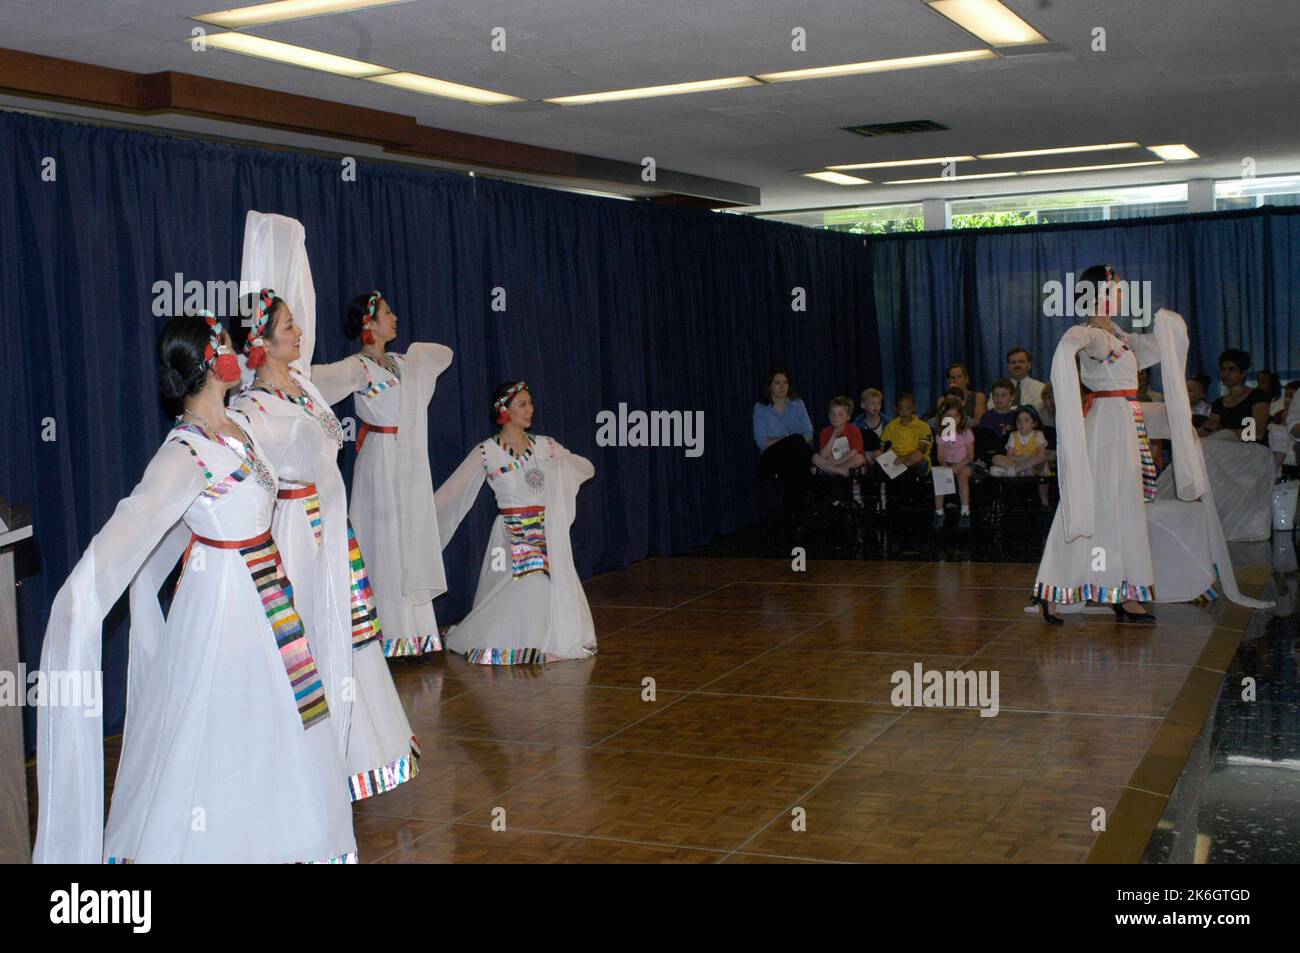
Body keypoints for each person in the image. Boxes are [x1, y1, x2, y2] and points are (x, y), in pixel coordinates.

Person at [34, 312, 356, 863]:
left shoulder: (241, 428)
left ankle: (284, 839)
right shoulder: (182, 454)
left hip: (271, 598)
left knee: (288, 719)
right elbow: (134, 526)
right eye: (230, 343)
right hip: (225, 607)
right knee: (226, 726)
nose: (239, 351)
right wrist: (78, 601)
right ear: (213, 360)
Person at [232, 290, 419, 801]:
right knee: (310, 637)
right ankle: (306, 764)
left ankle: (358, 750)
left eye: (295, 323)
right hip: (293, 529)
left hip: (331, 524)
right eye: (289, 326)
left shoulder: (305, 389)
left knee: (348, 632)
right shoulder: (250, 408)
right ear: (262, 343)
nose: (298, 333)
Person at [311, 291, 454, 658]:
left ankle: (414, 632)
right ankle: (380, 633)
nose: (395, 318)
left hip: (406, 457)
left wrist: (417, 352)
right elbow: (319, 379)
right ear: (368, 324)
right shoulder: (360, 367)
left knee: (407, 537)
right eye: (387, 313)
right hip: (380, 457)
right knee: (383, 538)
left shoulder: (402, 362)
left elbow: (442, 355)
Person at [1033, 265, 1166, 625]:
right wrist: (1075, 340)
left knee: (1122, 507)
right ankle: (1053, 587)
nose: (1121, 292)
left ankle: (1121, 590)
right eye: (1117, 287)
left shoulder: (1117, 333)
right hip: (1107, 426)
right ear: (1100, 293)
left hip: (1123, 422)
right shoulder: (1094, 334)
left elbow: (1149, 349)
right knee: (1095, 505)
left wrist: (1170, 329)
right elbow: (1081, 342)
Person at [434, 382, 597, 664]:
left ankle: (548, 639)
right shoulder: (487, 451)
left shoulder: (546, 445)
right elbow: (451, 492)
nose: (530, 409)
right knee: (529, 584)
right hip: (512, 533)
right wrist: (417, 518)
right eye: (522, 404)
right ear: (503, 410)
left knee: (546, 585)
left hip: (546, 532)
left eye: (530, 403)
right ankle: (525, 642)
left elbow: (585, 468)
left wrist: (562, 465)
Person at [753, 370, 814, 506]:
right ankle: (815, 467)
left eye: (785, 383)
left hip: (796, 457)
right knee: (796, 440)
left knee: (792, 468)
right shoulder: (760, 408)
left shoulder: (797, 404)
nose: (782, 386)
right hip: (771, 457)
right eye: (777, 383)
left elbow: (809, 433)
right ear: (769, 386)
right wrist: (788, 440)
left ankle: (793, 518)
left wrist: (790, 442)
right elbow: (762, 442)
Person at [1198, 349, 1270, 441]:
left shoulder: (1258, 396)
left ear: (1243, 373)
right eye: (1223, 369)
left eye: (1232, 369)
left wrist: (1229, 433)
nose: (1226, 374)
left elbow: (1258, 433)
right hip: (1224, 445)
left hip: (1252, 446)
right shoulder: (1219, 403)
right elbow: (1211, 425)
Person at [991, 406, 1052, 509]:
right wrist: (1028, 459)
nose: (1021, 423)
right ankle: (1020, 471)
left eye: (1026, 420)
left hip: (1034, 466)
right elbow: (1010, 456)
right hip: (1025, 466)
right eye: (1019, 420)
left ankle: (1044, 500)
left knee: (1043, 463)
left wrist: (1028, 459)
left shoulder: (1038, 435)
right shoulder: (1013, 435)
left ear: (1034, 423)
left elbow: (1041, 455)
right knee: (996, 458)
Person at [932, 395, 974, 529]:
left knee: (962, 476)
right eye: (949, 416)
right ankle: (939, 512)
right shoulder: (940, 435)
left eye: (956, 416)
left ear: (961, 417)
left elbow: (970, 456)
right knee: (940, 476)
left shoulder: (966, 433)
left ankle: (965, 511)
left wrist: (958, 466)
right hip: (948, 464)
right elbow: (940, 456)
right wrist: (945, 466)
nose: (953, 420)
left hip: (964, 464)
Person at [880, 393, 933, 477]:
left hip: (914, 460)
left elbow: (922, 449)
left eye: (908, 408)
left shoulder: (923, 426)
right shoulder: (891, 426)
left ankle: (898, 470)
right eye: (901, 408)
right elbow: (882, 446)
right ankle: (895, 471)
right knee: (876, 454)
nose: (904, 411)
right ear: (895, 409)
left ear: (914, 408)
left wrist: (903, 458)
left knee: (918, 456)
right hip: (895, 459)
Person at [814, 397, 867, 477]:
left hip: (846, 460)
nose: (835, 417)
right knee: (815, 458)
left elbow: (854, 451)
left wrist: (837, 463)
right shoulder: (825, 432)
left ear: (848, 417)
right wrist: (833, 436)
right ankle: (839, 471)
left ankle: (834, 470)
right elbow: (823, 455)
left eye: (840, 414)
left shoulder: (853, 429)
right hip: (831, 461)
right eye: (832, 414)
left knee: (859, 458)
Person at [937, 362, 986, 427]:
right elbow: (940, 422)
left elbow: (978, 423)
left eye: (959, 376)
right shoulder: (942, 399)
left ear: (966, 379)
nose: (956, 380)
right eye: (952, 377)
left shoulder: (978, 397)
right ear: (949, 381)